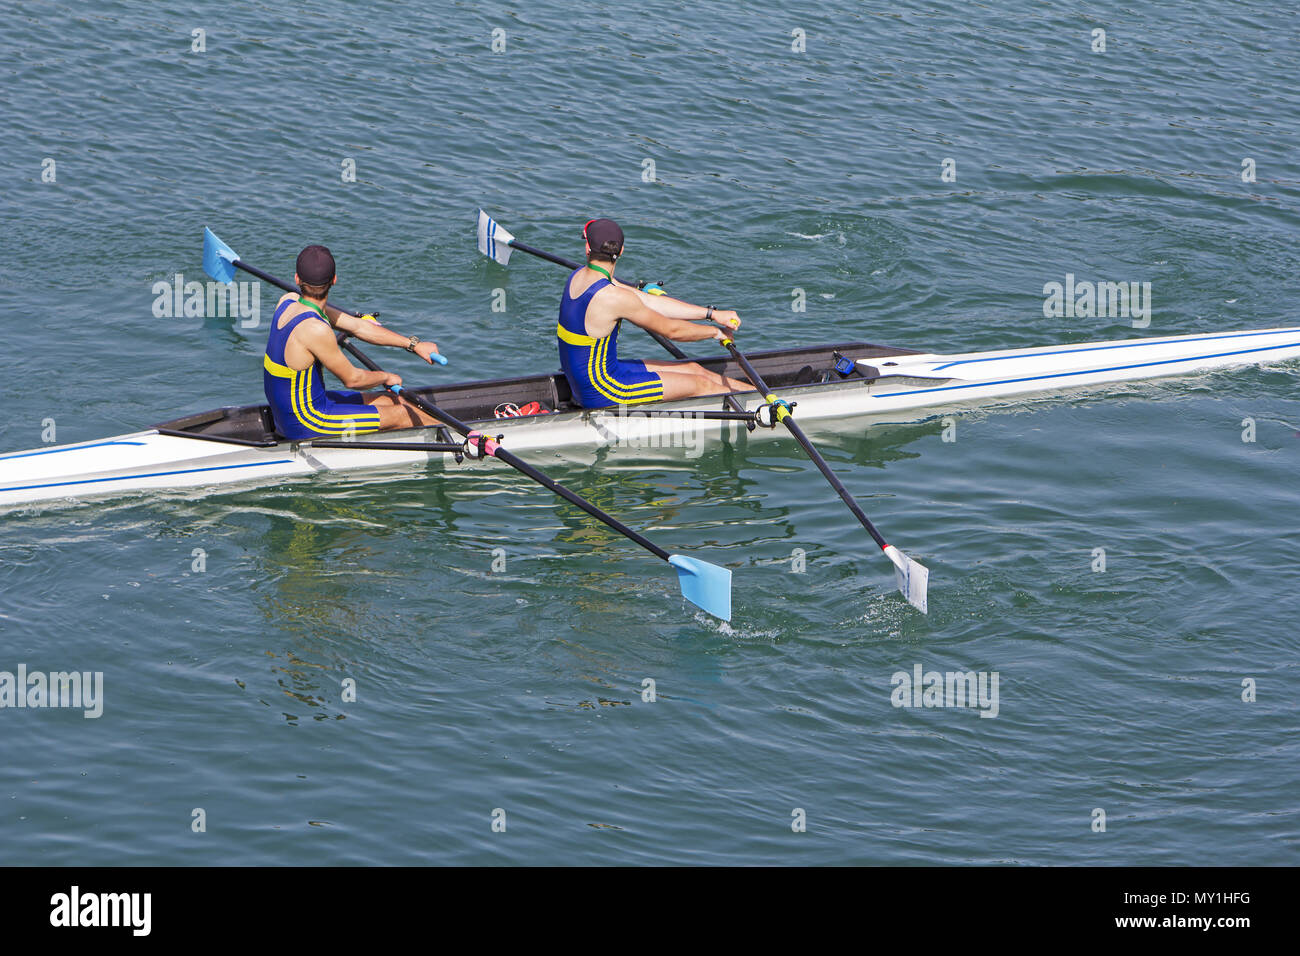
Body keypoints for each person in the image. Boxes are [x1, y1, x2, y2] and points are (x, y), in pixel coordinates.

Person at [557, 219, 752, 407]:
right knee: (701, 384)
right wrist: (715, 333)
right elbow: (672, 331)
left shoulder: (578, 276)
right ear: (622, 251)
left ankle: (759, 396)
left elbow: (651, 301)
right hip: (603, 390)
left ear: (587, 249)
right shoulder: (614, 297)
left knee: (694, 369)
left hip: (595, 375)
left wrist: (711, 314)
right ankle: (758, 406)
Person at [262, 245, 441, 439]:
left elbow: (358, 327)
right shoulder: (316, 329)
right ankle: (463, 439)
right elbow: (353, 379)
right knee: (404, 415)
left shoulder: (287, 301)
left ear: (297, 279)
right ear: (334, 280)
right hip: (306, 422)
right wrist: (386, 377)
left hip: (298, 409)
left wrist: (413, 345)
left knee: (392, 400)